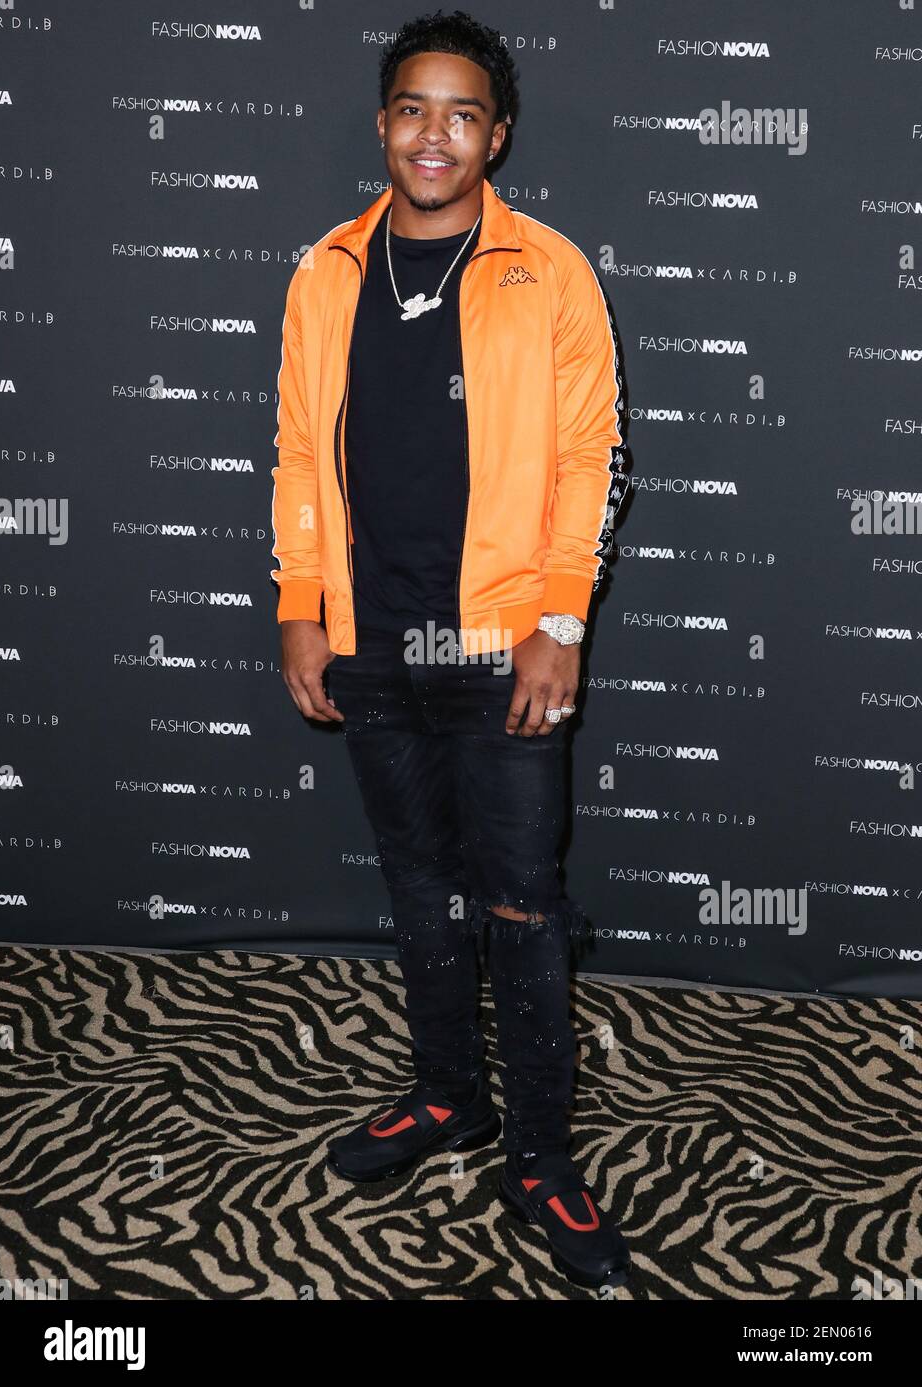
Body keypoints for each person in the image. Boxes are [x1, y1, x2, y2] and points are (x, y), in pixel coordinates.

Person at [270, 7, 631, 1291]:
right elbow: (300, 455)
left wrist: (556, 620)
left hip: (500, 645)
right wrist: (300, 601)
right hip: (371, 642)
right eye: (414, 108)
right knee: (422, 887)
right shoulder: (325, 270)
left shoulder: (552, 271)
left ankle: (539, 1151)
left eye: (462, 113)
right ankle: (446, 1097)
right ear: (383, 124)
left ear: (498, 135)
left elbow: (592, 457)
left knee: (523, 904)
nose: (436, 133)